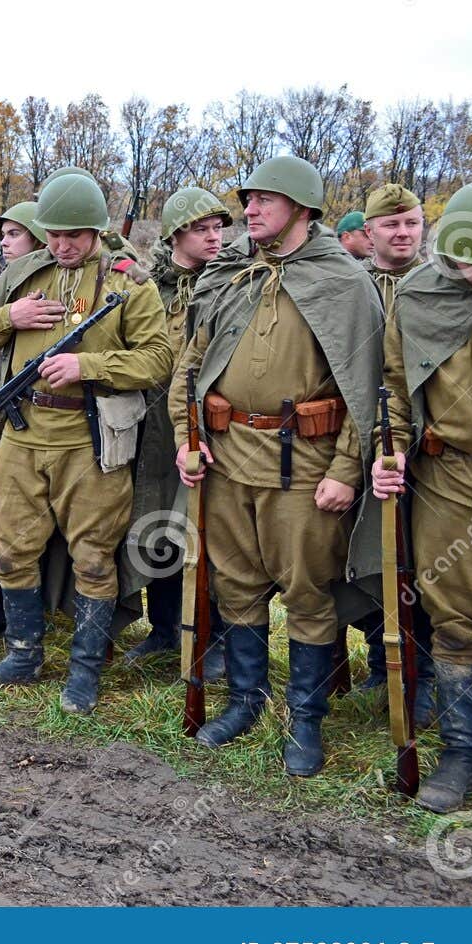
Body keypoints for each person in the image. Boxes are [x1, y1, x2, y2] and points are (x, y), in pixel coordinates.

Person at [170, 156, 382, 775]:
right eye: (249, 199)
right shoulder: (228, 275)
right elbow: (189, 366)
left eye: (265, 199)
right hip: (227, 459)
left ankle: (306, 722)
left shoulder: (343, 282)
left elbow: (366, 388)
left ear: (302, 207)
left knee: (309, 593)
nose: (250, 210)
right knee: (235, 586)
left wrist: (346, 469)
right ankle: (244, 703)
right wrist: (188, 438)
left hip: (307, 467)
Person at [0, 172, 171, 713]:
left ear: (97, 231)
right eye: (54, 234)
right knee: (10, 548)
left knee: (95, 558)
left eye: (75, 235)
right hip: (24, 430)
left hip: (90, 437)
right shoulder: (23, 274)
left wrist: (89, 365)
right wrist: (10, 316)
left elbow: (158, 360)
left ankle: (84, 672)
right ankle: (22, 653)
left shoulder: (129, 284)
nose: (62, 245)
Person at [372, 180, 472, 813]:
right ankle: (461, 754)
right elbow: (396, 390)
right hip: (448, 480)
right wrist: (391, 450)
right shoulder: (420, 298)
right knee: (456, 621)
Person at [121, 188, 227, 668]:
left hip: (207, 425)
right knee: (156, 521)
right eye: (202, 229)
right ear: (176, 234)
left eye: (218, 227)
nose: (214, 237)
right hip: (152, 424)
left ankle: (216, 636)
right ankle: (163, 629)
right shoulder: (150, 288)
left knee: (209, 531)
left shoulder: (228, 283)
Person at [346, 182, 434, 708]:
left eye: (412, 224)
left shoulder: (443, 286)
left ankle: (423, 675)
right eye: (390, 224)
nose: (402, 234)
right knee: (367, 554)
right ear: (370, 232)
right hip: (358, 442)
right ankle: (381, 663)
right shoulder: (352, 286)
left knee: (421, 562)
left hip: (422, 447)